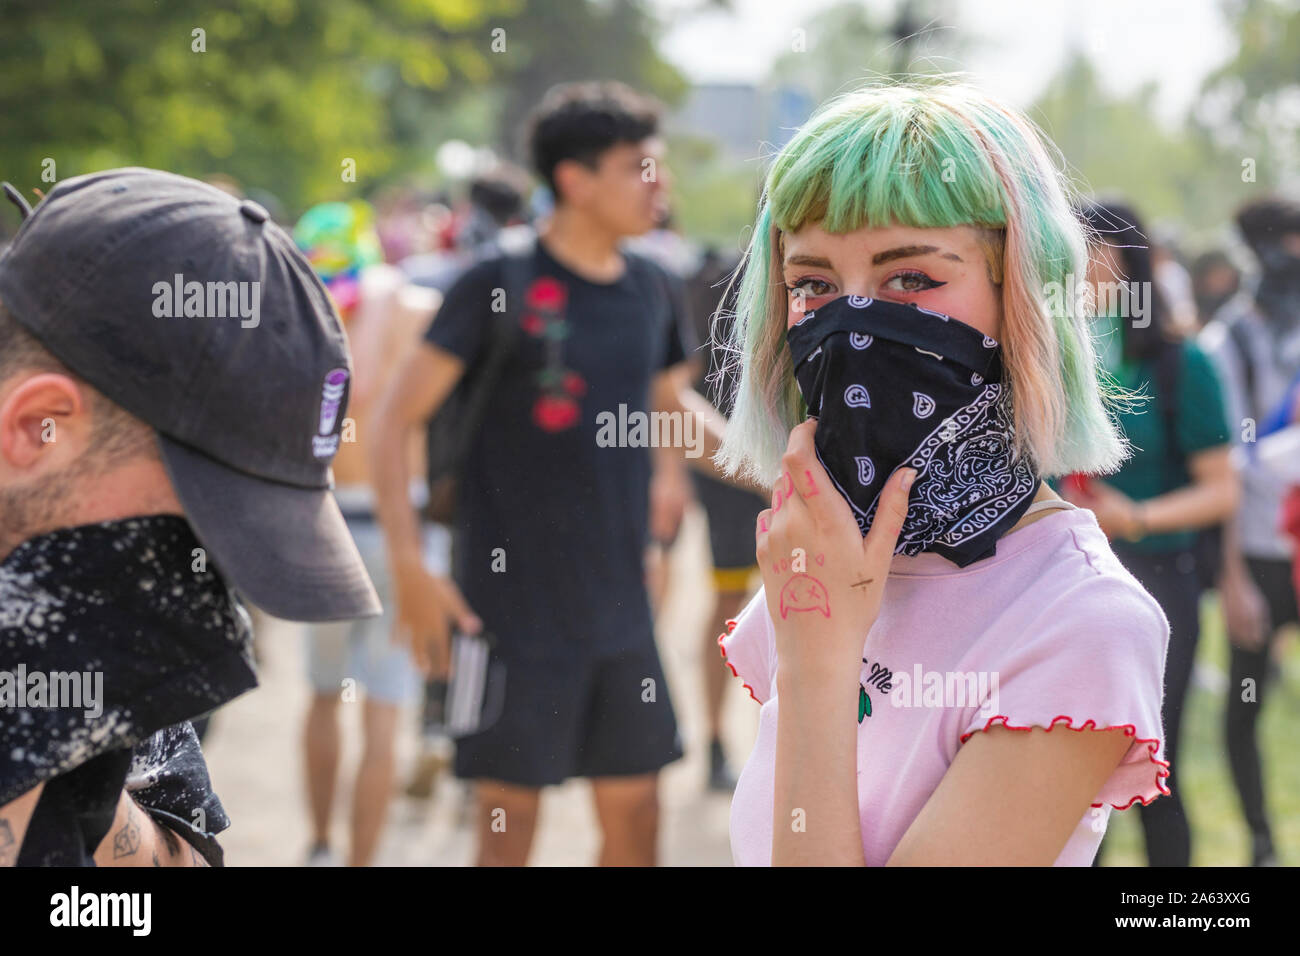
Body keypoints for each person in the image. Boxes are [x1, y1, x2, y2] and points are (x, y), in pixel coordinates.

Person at [715, 82, 1171, 866]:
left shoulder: (1078, 622)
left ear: (1021, 298)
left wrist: (822, 664)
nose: (852, 323)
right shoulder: (833, 558)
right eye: (814, 285)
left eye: (914, 279)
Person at [369, 80, 732, 866]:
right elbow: (395, 420)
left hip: (620, 602)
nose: (659, 184)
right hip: (503, 609)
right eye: (641, 166)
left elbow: (675, 411)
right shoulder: (493, 283)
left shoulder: (650, 287)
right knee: (508, 823)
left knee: (638, 816)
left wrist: (782, 473)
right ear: (575, 178)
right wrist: (407, 564)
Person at [0, 168, 380, 866]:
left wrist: (83, 789)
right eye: (204, 508)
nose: (209, 554)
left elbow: (189, 860)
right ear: (37, 428)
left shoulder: (86, 597)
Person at [1057, 199, 1238, 867]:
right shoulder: (1048, 356)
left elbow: (1221, 488)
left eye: (1084, 249)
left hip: (1158, 580)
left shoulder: (1179, 364)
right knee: (1070, 779)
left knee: (1152, 767)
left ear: (1125, 260)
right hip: (1062, 587)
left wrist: (1133, 517)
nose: (1067, 267)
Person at [293, 201, 443, 866]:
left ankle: (322, 843)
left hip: (325, 526)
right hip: (399, 527)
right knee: (382, 710)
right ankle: (361, 860)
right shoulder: (417, 308)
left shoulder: (293, 312)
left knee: (324, 693)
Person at [1198, 196, 1300, 867]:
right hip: (1260, 551)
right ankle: (1262, 841)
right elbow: (1225, 473)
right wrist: (1233, 582)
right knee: (1246, 700)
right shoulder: (1225, 343)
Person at [683, 246, 768, 792]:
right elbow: (679, 389)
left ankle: (785, 745)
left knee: (809, 608)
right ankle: (714, 740)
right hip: (735, 475)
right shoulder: (716, 281)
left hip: (799, 466)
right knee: (728, 603)